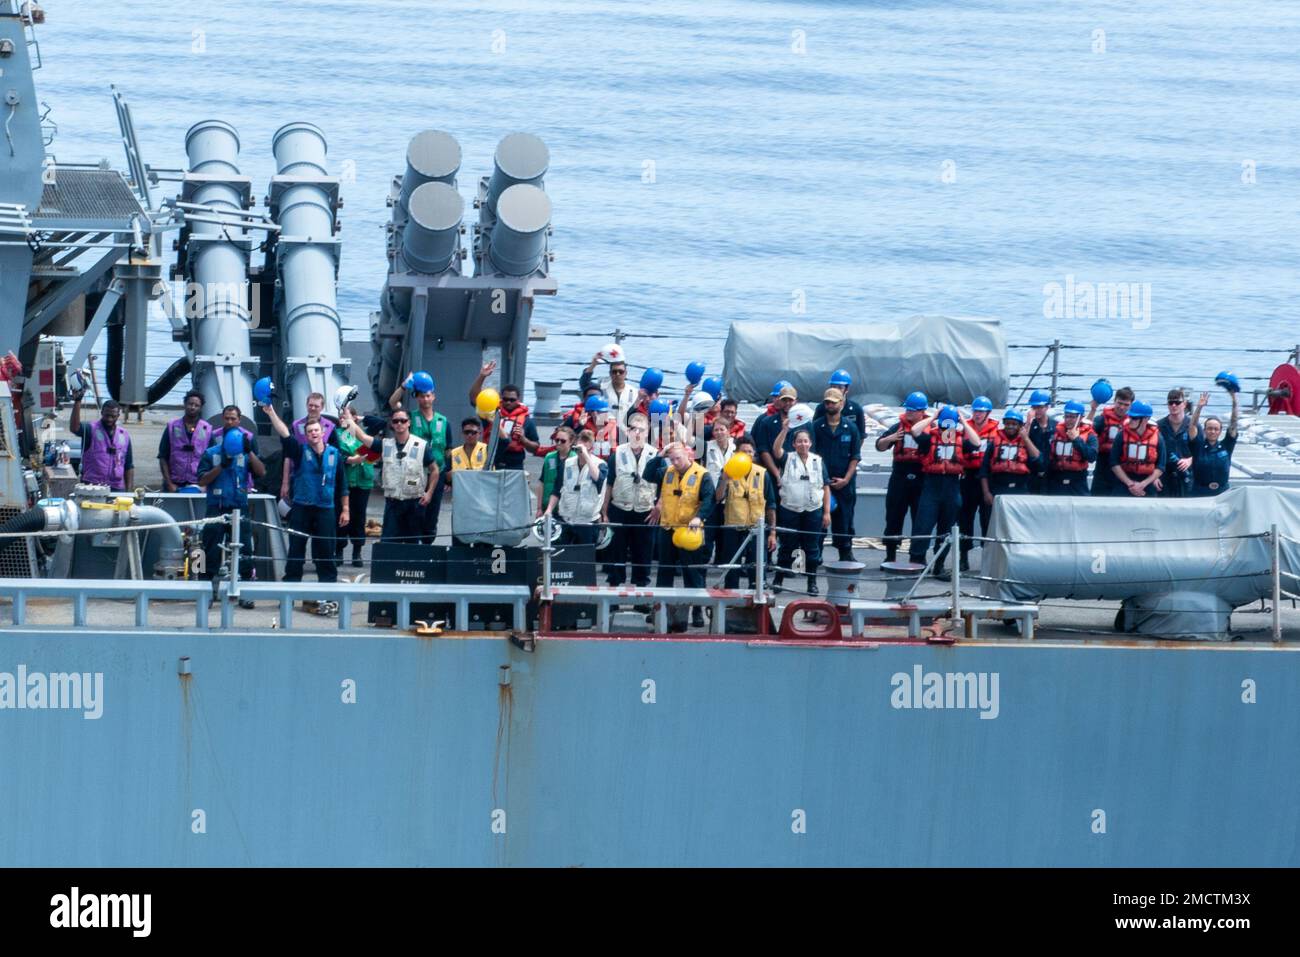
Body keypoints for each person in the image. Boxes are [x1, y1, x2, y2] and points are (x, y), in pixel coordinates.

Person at [262, 401, 349, 587]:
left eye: (316, 430)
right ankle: (290, 589)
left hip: (326, 509)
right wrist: (271, 413)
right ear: (306, 435)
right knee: (296, 551)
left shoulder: (335, 455)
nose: (313, 433)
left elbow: (343, 485)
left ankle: (328, 589)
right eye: (309, 432)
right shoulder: (299, 452)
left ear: (323, 432)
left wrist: (346, 509)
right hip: (302, 508)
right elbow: (285, 434)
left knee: (326, 551)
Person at [339, 407, 438, 543]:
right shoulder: (385, 445)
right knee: (388, 544)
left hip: (414, 502)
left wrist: (430, 493)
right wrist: (349, 418)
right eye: (396, 421)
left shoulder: (421, 446)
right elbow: (361, 436)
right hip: (393, 503)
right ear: (391, 423)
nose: (399, 424)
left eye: (403, 421)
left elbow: (435, 470)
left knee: (412, 545)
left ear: (409, 423)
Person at [644, 441, 714, 631]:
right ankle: (659, 610)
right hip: (667, 528)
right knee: (664, 572)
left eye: (678, 458)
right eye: (672, 459)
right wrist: (660, 455)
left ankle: (697, 610)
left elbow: (710, 499)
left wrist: (699, 518)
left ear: (688, 456)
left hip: (689, 531)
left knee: (692, 572)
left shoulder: (702, 475)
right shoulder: (667, 472)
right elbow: (647, 475)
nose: (675, 462)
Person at [196, 427, 266, 608]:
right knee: (208, 549)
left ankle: (246, 592)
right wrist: (221, 466)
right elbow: (202, 480)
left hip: (239, 507)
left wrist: (250, 451)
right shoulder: (210, 454)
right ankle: (206, 591)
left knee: (245, 552)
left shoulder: (245, 455)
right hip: (216, 508)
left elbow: (261, 472)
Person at [909, 406, 982, 573]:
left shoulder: (961, 442)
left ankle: (939, 565)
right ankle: (916, 562)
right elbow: (915, 430)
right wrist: (934, 417)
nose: (946, 430)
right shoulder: (928, 440)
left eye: (950, 426)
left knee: (946, 529)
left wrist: (963, 421)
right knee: (923, 527)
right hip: (931, 487)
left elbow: (977, 442)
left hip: (952, 486)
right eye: (944, 426)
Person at [771, 416, 832, 595]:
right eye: (799, 441)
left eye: (805, 441)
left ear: (810, 443)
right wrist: (784, 430)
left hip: (813, 510)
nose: (803, 444)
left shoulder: (818, 461)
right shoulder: (787, 458)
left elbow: (825, 486)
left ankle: (811, 582)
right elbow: (776, 450)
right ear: (794, 444)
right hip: (790, 509)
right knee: (787, 546)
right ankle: (778, 579)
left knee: (812, 548)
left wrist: (826, 512)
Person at [390, 372, 453, 543]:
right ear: (417, 398)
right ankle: (413, 545)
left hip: (437, 473)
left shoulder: (444, 421)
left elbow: (448, 449)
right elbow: (393, 403)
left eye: (428, 396)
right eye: (421, 396)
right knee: (414, 512)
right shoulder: (410, 418)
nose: (425, 399)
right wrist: (404, 386)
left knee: (432, 514)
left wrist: (448, 476)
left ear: (433, 397)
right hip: (415, 474)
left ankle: (428, 544)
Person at [715, 434, 777, 590]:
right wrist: (724, 479)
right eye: (743, 451)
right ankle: (730, 604)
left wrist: (773, 533)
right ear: (736, 454)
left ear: (754, 453)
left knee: (757, 568)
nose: (747, 454)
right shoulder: (728, 471)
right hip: (733, 528)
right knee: (732, 569)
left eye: (750, 451)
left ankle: (756, 603)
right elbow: (718, 498)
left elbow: (771, 505)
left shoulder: (762, 473)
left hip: (756, 529)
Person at [603, 412, 656, 588]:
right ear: (628, 431)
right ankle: (613, 597)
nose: (637, 433)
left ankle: (641, 597)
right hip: (619, 508)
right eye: (634, 429)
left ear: (647, 432)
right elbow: (609, 483)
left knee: (642, 554)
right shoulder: (617, 453)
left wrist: (660, 506)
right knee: (616, 553)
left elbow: (664, 484)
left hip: (645, 511)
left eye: (641, 429)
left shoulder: (655, 455)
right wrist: (604, 511)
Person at [876, 391, 929, 564]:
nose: (909, 413)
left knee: (920, 519)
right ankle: (890, 555)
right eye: (908, 410)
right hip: (900, 476)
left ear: (922, 411)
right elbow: (880, 446)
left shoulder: (931, 428)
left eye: (913, 410)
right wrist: (890, 438)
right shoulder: (898, 427)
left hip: (921, 477)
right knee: (893, 516)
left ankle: (918, 556)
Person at [813, 387, 861, 562]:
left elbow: (855, 456)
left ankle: (845, 553)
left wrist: (846, 479)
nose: (830, 405)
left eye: (833, 402)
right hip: (820, 483)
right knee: (818, 520)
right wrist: (822, 480)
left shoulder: (851, 428)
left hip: (843, 483)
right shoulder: (816, 427)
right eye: (827, 402)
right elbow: (812, 455)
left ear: (841, 403)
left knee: (844, 520)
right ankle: (815, 555)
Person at [468, 362, 540, 469]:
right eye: (505, 399)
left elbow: (535, 448)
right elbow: (474, 397)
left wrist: (523, 439)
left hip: (514, 464)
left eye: (512, 400)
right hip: (492, 461)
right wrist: (482, 376)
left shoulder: (527, 420)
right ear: (501, 398)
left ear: (518, 400)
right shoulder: (491, 413)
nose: (508, 402)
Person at [543, 429, 608, 546]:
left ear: (591, 448)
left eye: (583, 449)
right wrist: (549, 509)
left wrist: (587, 457)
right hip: (567, 519)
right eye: (578, 449)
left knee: (584, 560)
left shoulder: (600, 465)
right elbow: (557, 489)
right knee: (563, 557)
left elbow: (598, 479)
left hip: (587, 522)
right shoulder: (567, 463)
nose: (580, 452)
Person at [959, 396, 1000, 570]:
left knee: (987, 520)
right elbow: (947, 439)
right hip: (967, 477)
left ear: (988, 413)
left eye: (981, 411)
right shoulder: (963, 428)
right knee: (964, 519)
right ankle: (963, 557)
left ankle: (987, 559)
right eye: (976, 411)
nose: (977, 414)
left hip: (987, 479)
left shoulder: (997, 431)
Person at [280, 391, 337, 505]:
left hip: (323, 478)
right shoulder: (296, 426)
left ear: (322, 407)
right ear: (306, 405)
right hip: (299, 477)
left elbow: (336, 457)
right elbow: (287, 456)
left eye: (316, 406)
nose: (313, 408)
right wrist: (285, 482)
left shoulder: (330, 427)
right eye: (310, 405)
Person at [69, 391, 133, 491]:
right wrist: (78, 401)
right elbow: (74, 428)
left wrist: (129, 492)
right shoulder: (90, 429)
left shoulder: (124, 435)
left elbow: (129, 465)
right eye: (107, 415)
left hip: (116, 487)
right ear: (102, 412)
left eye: (113, 416)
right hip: (92, 486)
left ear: (118, 415)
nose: (110, 419)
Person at [334, 414, 374, 567]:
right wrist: (353, 458)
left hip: (363, 482)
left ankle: (357, 552)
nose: (344, 419)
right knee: (342, 517)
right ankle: (339, 551)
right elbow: (340, 452)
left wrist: (362, 418)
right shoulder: (337, 434)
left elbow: (380, 424)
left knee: (359, 518)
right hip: (346, 481)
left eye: (348, 416)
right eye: (342, 417)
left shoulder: (364, 434)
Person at [979, 408, 1039, 504]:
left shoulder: (1027, 442)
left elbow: (1038, 461)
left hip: (1020, 490)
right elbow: (984, 470)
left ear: (1020, 426)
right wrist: (986, 493)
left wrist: (1026, 439)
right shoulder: (994, 442)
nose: (1010, 426)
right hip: (998, 488)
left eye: (1014, 424)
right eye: (1007, 423)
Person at [158, 389, 213, 490]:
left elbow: (212, 460)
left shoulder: (207, 429)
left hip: (198, 483)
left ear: (201, 408)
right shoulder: (172, 426)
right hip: (174, 483)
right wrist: (169, 483)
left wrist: (206, 484)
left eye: (196, 405)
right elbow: (162, 457)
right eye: (190, 404)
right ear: (184, 404)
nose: (192, 407)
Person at [1187, 390, 1239, 496]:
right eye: (1210, 428)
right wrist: (1199, 407)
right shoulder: (1198, 446)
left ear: (1220, 431)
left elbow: (1233, 423)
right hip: (1199, 492)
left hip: (1222, 492)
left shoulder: (1226, 446)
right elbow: (1192, 426)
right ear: (1205, 430)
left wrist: (1234, 402)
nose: (1213, 431)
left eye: (1216, 429)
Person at [1109, 400, 1165, 497]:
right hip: (1125, 481)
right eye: (1130, 417)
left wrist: (1143, 484)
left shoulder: (1158, 437)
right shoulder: (1121, 435)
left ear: (1146, 419)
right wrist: (1130, 483)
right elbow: (1114, 462)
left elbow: (1161, 466)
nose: (1130, 420)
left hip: (1147, 483)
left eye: (1134, 418)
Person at [579, 351, 638, 441]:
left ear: (626, 373)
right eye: (614, 372)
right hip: (605, 432)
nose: (617, 374)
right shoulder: (601, 388)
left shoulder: (634, 392)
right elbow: (584, 384)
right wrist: (593, 364)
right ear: (610, 373)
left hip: (625, 433)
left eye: (620, 372)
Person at [1044, 400, 1097, 495]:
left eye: (1073, 417)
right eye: (1067, 416)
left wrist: (1077, 439)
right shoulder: (1054, 432)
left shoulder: (1090, 435)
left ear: (1081, 418)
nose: (1069, 419)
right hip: (1056, 477)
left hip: (1077, 479)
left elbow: (1092, 457)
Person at [752, 384, 798, 489]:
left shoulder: (804, 424)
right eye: (784, 400)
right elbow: (763, 450)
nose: (787, 403)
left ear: (796, 401)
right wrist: (777, 474)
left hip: (797, 477)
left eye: (790, 400)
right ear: (779, 401)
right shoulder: (766, 422)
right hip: (772, 477)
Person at [1091, 386, 1133, 497]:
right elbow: (1086, 430)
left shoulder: (1136, 423)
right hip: (1104, 466)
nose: (1122, 407)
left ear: (1131, 405)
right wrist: (1093, 410)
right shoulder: (1102, 419)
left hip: (1124, 469)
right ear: (1114, 401)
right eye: (1119, 403)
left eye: (1126, 405)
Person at [1157, 388, 1194, 498]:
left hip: (1186, 476)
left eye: (1177, 402)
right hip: (1165, 476)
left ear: (1184, 404)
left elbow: (1202, 450)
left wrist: (1190, 460)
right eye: (1170, 402)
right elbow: (1152, 453)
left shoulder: (1193, 426)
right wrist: (1154, 477)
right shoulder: (1158, 426)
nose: (1174, 405)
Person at [812, 369, 867, 437]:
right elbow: (813, 433)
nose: (836, 390)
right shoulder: (822, 408)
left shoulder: (856, 409)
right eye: (834, 387)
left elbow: (861, 436)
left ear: (846, 389)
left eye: (840, 387)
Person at [538, 427, 577, 517]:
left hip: (567, 509)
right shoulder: (549, 457)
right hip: (547, 507)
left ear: (571, 442)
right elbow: (541, 483)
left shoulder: (576, 459)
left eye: (563, 441)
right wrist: (539, 508)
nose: (559, 443)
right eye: (557, 440)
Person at [1025, 390, 1055, 494]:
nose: (1036, 410)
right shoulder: (1029, 425)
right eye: (1034, 407)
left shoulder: (1055, 425)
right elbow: (1023, 440)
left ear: (1047, 407)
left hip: (1050, 473)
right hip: (1032, 472)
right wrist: (1029, 421)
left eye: (1040, 407)